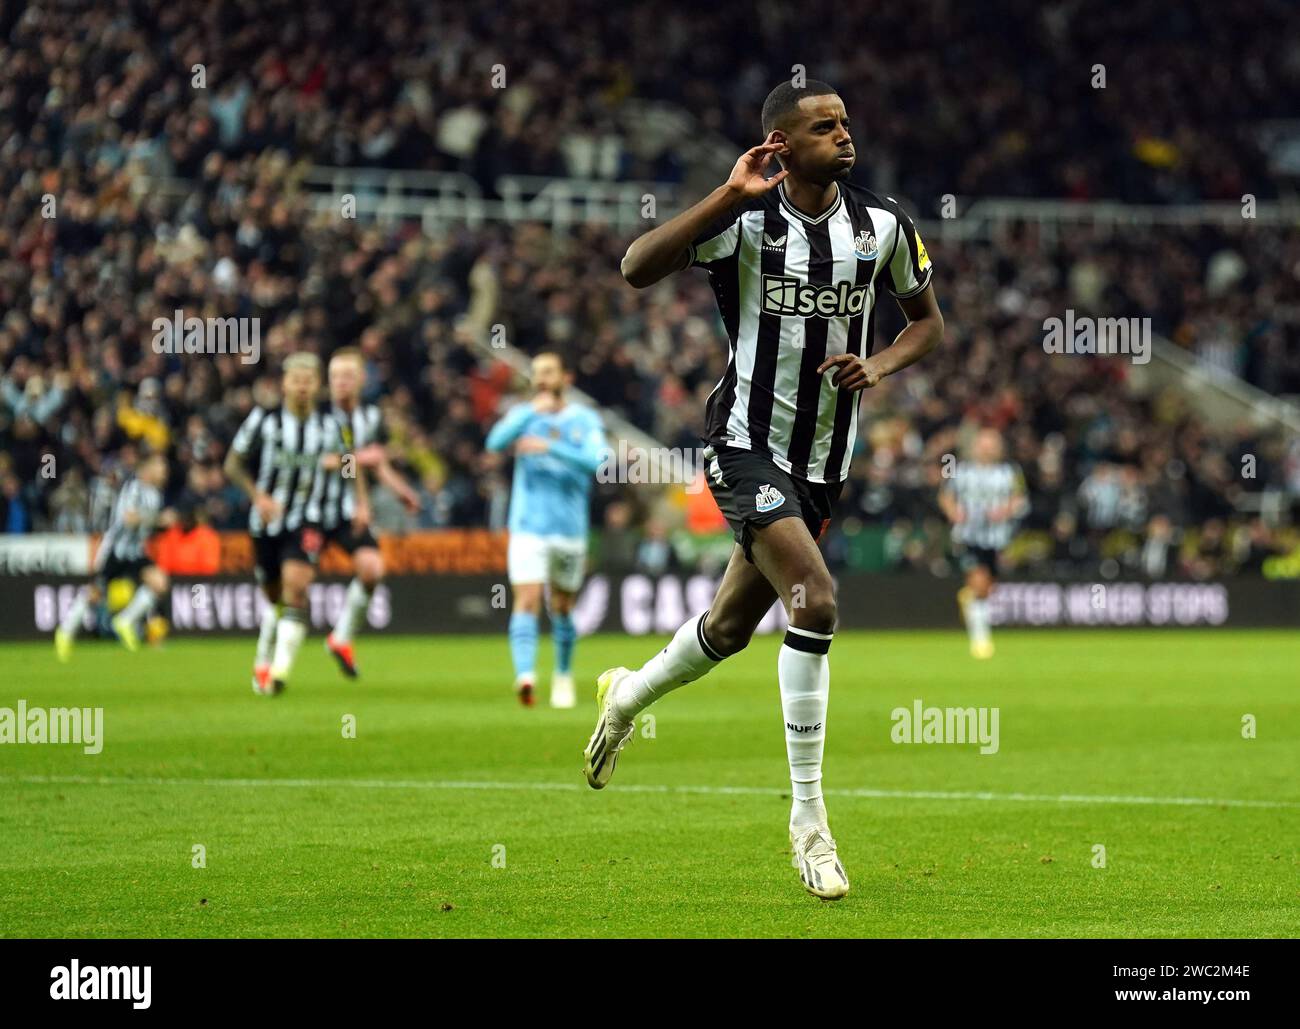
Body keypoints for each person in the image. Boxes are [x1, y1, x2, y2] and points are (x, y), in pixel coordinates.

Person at [584, 79, 944, 899]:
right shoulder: (745, 224)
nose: (844, 135)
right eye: (824, 127)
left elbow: (929, 322)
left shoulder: (882, 227)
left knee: (729, 626)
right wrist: (725, 192)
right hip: (743, 446)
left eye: (847, 121)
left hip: (824, 462)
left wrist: (879, 364)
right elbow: (635, 267)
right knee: (814, 599)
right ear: (782, 145)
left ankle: (626, 696)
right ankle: (810, 823)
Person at [224, 353, 364, 695]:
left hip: (309, 518)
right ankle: (263, 658)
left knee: (296, 586)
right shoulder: (264, 419)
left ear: (317, 385)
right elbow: (233, 463)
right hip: (266, 521)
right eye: (295, 380)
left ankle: (279, 672)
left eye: (308, 380)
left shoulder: (334, 422)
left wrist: (357, 500)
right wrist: (258, 496)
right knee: (275, 595)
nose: (302, 387)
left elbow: (349, 461)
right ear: (284, 384)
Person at [485, 351, 607, 708]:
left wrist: (550, 445)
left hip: (568, 530)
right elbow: (493, 443)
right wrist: (528, 413)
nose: (540, 379)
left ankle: (563, 675)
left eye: (548, 372)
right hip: (526, 528)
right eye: (536, 373)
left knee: (563, 607)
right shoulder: (523, 416)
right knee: (525, 600)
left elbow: (598, 460)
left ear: (565, 378)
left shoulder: (583, 419)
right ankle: (525, 676)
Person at [318, 347, 420, 678]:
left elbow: (374, 462)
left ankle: (341, 638)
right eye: (335, 377)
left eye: (348, 376)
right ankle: (271, 664)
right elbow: (327, 461)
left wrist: (402, 490)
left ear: (362, 379)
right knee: (290, 583)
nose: (341, 382)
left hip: (347, 512)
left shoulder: (370, 417)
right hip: (309, 509)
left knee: (372, 569)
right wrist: (363, 459)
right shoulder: (317, 415)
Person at [55, 451, 174, 659]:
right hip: (115, 550)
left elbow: (146, 524)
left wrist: (160, 523)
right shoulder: (133, 487)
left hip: (135, 551)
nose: (165, 472)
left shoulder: (156, 494)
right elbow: (129, 518)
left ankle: (125, 621)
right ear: (147, 468)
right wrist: (158, 520)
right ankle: (65, 632)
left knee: (160, 583)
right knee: (95, 593)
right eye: (160, 467)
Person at [939, 428, 1028, 659]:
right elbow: (945, 495)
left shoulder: (1010, 472)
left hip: (997, 537)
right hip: (968, 536)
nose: (987, 449)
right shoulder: (959, 470)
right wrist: (954, 512)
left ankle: (970, 601)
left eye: (992, 444)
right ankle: (981, 642)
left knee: (987, 588)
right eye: (983, 444)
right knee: (978, 581)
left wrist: (1005, 511)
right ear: (975, 446)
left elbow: (1019, 498)